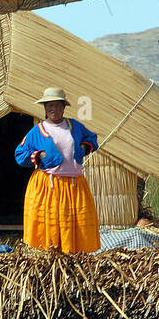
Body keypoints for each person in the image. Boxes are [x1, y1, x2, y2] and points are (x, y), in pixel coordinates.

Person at [14, 87, 100, 254]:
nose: (54, 109)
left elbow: (92, 139)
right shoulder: (36, 132)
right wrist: (37, 156)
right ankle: (50, 256)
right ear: (45, 108)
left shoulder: (75, 126)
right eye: (50, 106)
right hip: (47, 185)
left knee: (74, 225)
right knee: (50, 226)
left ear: (64, 107)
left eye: (58, 105)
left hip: (74, 185)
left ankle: (72, 257)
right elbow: (20, 154)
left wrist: (83, 147)